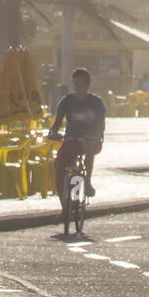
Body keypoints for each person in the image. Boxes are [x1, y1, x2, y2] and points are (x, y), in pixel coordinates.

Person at [49, 67, 106, 200]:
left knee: (89, 148)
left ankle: (87, 181)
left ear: (87, 85)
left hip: (90, 140)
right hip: (71, 140)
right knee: (59, 168)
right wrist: (53, 132)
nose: (76, 87)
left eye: (79, 84)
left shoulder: (96, 102)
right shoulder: (67, 101)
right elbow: (57, 122)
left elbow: (101, 123)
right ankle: (65, 208)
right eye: (74, 84)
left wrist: (98, 135)